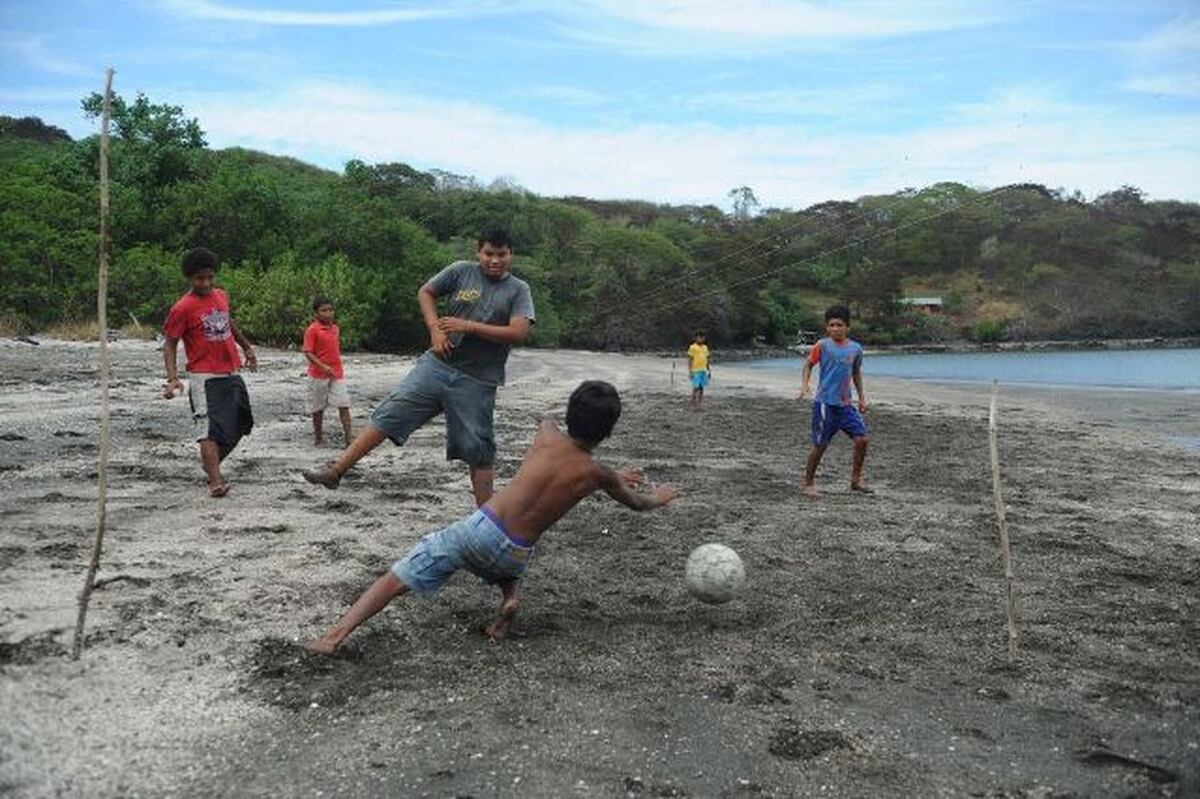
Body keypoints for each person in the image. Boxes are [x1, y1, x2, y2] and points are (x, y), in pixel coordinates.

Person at [303, 381, 680, 653]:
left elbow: (545, 417)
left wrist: (555, 417)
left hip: (481, 530)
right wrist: (656, 497)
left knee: (401, 574)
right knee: (513, 557)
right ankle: (507, 603)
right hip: (514, 552)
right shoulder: (598, 474)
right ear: (609, 432)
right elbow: (637, 503)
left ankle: (335, 636)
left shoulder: (548, 435)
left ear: (570, 414)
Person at [303, 225, 534, 506]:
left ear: (512, 255)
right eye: (488, 253)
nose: (494, 260)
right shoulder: (461, 270)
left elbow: (518, 332)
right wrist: (434, 329)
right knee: (390, 412)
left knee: (478, 446)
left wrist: (469, 326)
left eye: (501, 254)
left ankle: (487, 518)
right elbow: (426, 292)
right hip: (437, 365)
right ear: (478, 252)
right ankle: (336, 471)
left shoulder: (518, 290)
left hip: (477, 379)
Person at [162, 247, 257, 497]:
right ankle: (215, 482)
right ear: (190, 278)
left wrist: (246, 347)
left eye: (209, 277)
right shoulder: (182, 308)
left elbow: (228, 322)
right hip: (204, 377)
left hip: (230, 371)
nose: (205, 283)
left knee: (242, 422)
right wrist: (173, 378)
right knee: (207, 429)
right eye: (199, 278)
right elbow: (170, 343)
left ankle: (211, 465)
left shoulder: (220, 296)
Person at [798, 305, 870, 498]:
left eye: (840, 325)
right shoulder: (822, 346)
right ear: (827, 327)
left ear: (847, 327)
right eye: (832, 325)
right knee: (820, 445)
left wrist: (861, 398)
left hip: (845, 405)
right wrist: (805, 386)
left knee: (862, 439)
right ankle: (808, 483)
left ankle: (855, 480)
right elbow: (808, 365)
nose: (836, 329)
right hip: (824, 404)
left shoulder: (856, 349)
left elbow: (855, 373)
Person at [302, 296, 352, 447]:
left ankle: (349, 439)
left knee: (344, 403)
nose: (328, 313)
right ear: (316, 313)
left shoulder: (335, 328)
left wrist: (331, 367)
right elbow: (308, 352)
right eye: (324, 310)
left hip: (337, 373)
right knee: (318, 408)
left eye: (330, 310)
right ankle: (318, 438)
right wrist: (322, 366)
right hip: (318, 374)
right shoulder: (312, 330)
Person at [686, 331, 712, 409]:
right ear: (696, 338)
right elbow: (690, 360)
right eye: (700, 337)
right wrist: (690, 371)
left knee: (701, 387)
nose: (701, 339)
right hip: (695, 370)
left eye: (703, 337)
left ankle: (700, 402)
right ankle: (693, 402)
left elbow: (706, 359)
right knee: (696, 387)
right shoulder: (692, 347)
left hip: (703, 370)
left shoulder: (705, 347)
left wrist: (709, 370)